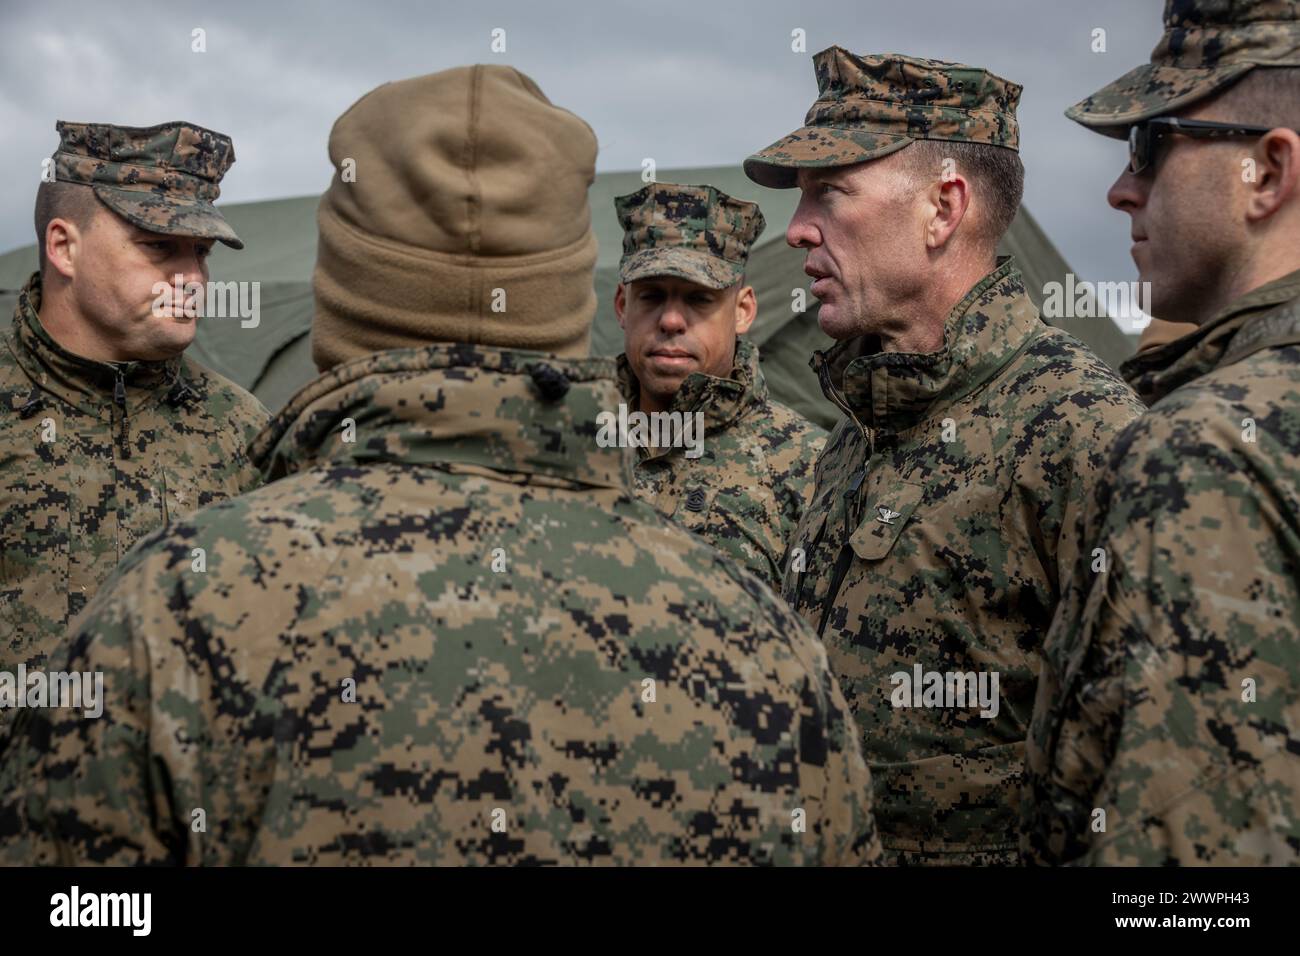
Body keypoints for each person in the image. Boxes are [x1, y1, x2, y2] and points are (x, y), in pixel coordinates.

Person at [0, 66, 879, 866]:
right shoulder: (765, 650)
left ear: (343, 293)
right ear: (587, 300)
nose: (188, 274)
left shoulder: (171, 615)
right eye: (657, 297)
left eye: (699, 300)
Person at [744, 46, 1145, 864]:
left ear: (942, 208)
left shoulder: (1081, 430)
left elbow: (1149, 784)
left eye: (831, 192)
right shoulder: (857, 429)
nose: (796, 229)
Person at [1025, 0, 1300, 866]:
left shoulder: (1207, 447)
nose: (1120, 187)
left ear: (1268, 171)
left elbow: (1197, 884)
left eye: (1152, 142)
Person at [0, 121, 268, 679]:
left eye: (201, 252)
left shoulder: (245, 433)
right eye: (159, 247)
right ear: (63, 247)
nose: (192, 278)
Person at [612, 182, 825, 590]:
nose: (671, 321)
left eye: (699, 299)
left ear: (742, 310)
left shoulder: (809, 467)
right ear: (623, 306)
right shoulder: (568, 442)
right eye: (652, 297)